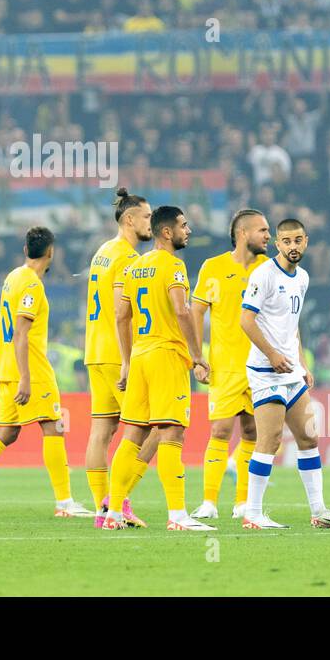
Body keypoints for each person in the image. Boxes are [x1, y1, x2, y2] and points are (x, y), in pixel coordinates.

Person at [0, 226, 91, 519]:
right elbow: (22, 334)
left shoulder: (13, 277)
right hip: (30, 368)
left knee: (7, 432)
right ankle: (65, 504)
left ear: (26, 250)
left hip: (6, 365)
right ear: (51, 252)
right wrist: (26, 377)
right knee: (54, 426)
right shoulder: (32, 285)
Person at [103, 205, 213, 531]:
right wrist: (197, 356)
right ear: (167, 232)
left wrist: (126, 360)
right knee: (171, 432)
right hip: (167, 356)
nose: (188, 230)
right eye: (183, 225)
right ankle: (178, 515)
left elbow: (121, 316)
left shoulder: (134, 267)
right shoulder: (174, 265)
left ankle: (111, 513)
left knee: (133, 434)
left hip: (139, 357)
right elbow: (182, 312)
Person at [239, 218, 330, 530]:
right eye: (286, 241)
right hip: (266, 371)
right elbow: (246, 320)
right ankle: (253, 513)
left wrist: (301, 363)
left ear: (306, 241)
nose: (292, 246)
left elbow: (292, 325)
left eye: (298, 240)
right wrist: (273, 354)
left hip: (291, 371)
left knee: (308, 436)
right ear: (277, 243)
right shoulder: (263, 274)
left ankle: (319, 511)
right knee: (271, 439)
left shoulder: (302, 277)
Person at [190, 208, 269, 521]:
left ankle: (242, 503)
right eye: (262, 230)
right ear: (242, 234)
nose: (268, 236)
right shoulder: (214, 267)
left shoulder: (268, 268)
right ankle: (209, 501)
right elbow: (196, 311)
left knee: (252, 432)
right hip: (225, 365)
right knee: (221, 431)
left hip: (260, 365)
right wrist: (198, 357)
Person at [82, 187, 154, 527]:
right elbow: (119, 310)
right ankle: (118, 502)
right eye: (147, 216)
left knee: (102, 430)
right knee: (154, 425)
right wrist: (128, 360)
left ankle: (102, 508)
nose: (151, 223)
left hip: (95, 351)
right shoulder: (128, 257)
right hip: (117, 353)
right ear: (129, 219)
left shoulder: (103, 252)